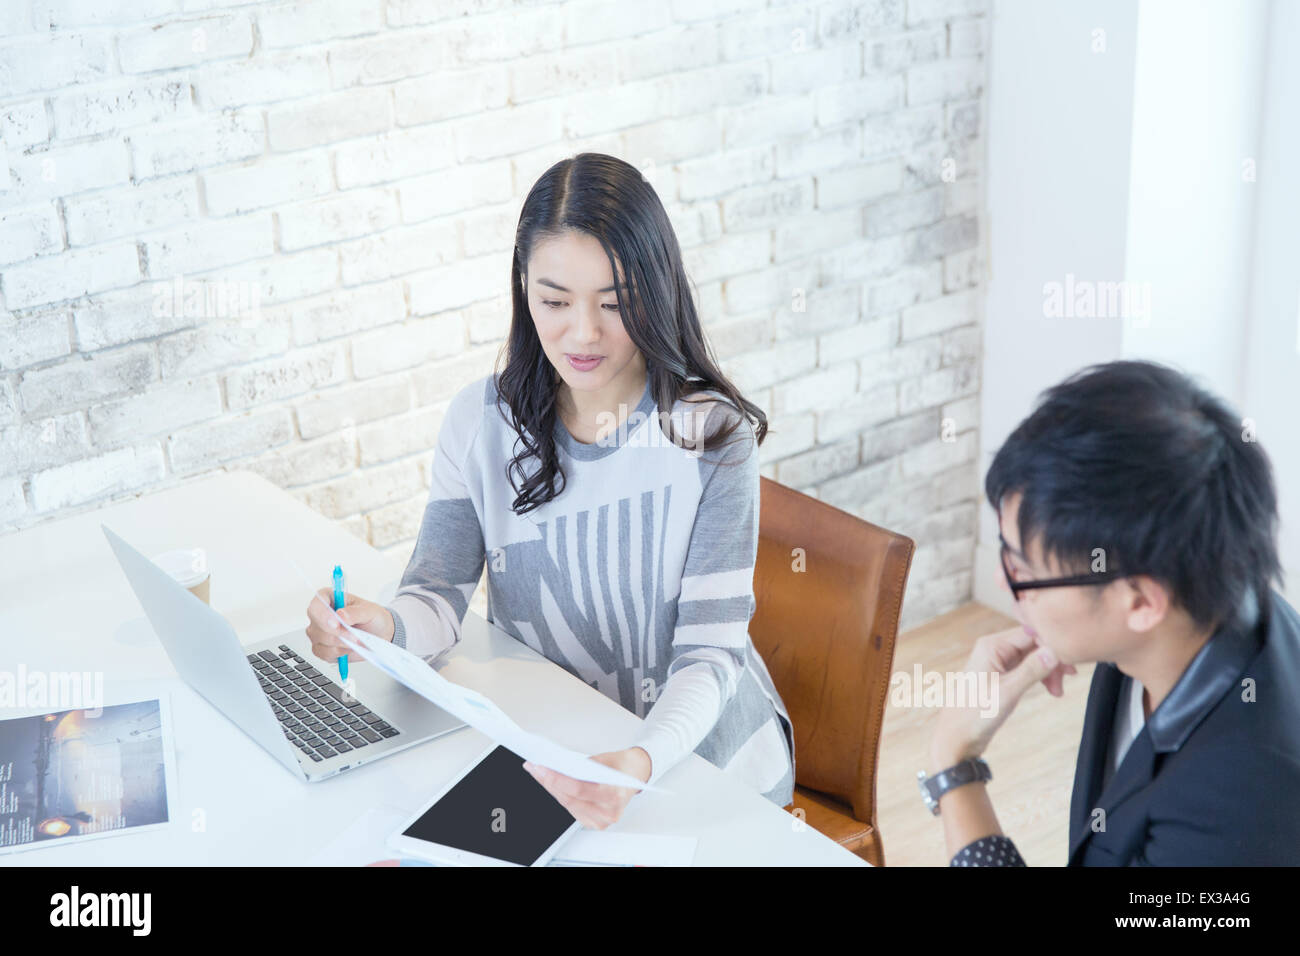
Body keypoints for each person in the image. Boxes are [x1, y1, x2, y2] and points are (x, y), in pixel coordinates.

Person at [303, 152, 795, 830]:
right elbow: (437, 595)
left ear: (657, 292)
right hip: (559, 742)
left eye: (615, 303)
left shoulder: (710, 438)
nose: (582, 332)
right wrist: (381, 629)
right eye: (555, 301)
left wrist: (639, 761)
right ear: (524, 289)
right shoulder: (481, 421)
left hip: (698, 762)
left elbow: (710, 656)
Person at [921, 359, 1300, 865]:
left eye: (1020, 567)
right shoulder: (1184, 612)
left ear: (1141, 601)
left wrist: (955, 766)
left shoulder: (1234, 813)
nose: (1002, 581)